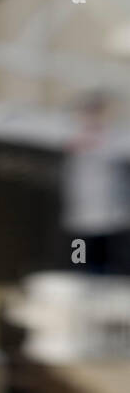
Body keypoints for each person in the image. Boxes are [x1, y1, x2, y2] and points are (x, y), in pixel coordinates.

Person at [62, 92, 130, 275]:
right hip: (81, 218)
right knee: (80, 263)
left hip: (113, 219)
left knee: (114, 264)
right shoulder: (71, 135)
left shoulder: (116, 138)